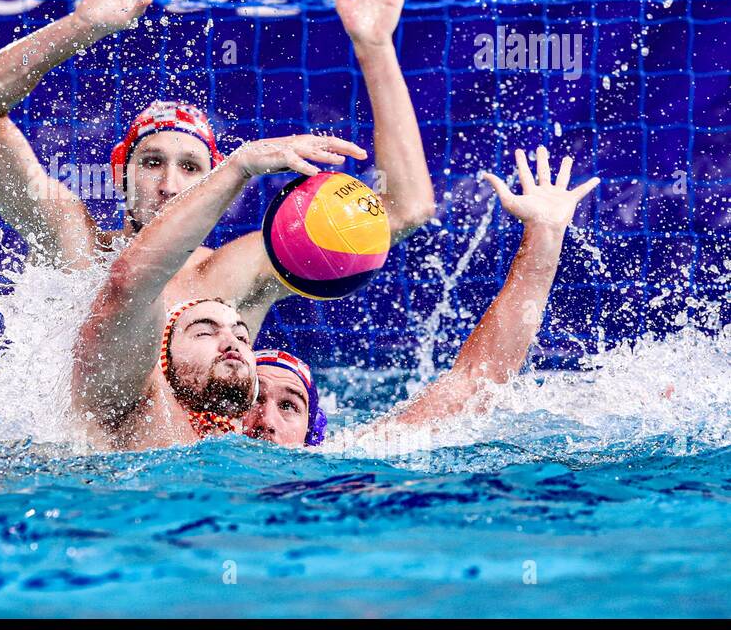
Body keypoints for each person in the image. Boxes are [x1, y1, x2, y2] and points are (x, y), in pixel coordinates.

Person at [0, 0, 436, 339]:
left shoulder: (231, 273)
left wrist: (374, 47)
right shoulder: (73, 245)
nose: (170, 184)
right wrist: (82, 27)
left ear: (216, 182)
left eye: (192, 167)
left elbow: (407, 209)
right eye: (152, 161)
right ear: (120, 172)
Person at [72, 144, 600, 451]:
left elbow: (473, 383)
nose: (268, 417)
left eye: (290, 405)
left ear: (312, 433)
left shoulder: (329, 464)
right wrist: (238, 168)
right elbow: (126, 287)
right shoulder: (133, 417)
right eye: (203, 331)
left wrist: (544, 237)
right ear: (157, 358)